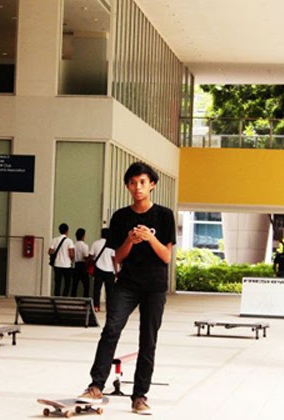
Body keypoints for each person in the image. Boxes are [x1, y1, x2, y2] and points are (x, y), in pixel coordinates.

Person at [77, 162, 175, 414]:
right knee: (111, 329)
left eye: (142, 182)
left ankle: (139, 396)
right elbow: (117, 258)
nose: (137, 187)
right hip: (128, 284)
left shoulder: (164, 215)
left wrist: (150, 237)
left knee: (148, 339)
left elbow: (166, 256)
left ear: (152, 185)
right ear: (128, 186)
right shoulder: (121, 217)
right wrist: (130, 241)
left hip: (155, 286)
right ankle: (95, 386)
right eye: (132, 183)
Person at [89, 228, 116, 312]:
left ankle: (96, 306)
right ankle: (109, 307)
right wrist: (116, 271)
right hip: (109, 270)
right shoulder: (112, 244)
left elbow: (91, 256)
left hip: (98, 269)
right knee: (110, 291)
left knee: (97, 289)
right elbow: (114, 259)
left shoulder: (95, 243)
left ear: (101, 234)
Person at [49, 223, 75, 296]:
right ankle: (64, 297)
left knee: (57, 283)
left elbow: (50, 251)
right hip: (67, 265)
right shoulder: (69, 241)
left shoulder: (55, 240)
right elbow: (71, 254)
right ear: (67, 231)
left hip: (57, 265)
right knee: (67, 283)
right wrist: (72, 260)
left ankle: (56, 298)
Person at [71, 228, 90, 298]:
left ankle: (73, 298)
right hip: (83, 265)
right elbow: (86, 256)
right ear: (83, 236)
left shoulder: (73, 245)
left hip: (75, 265)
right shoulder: (85, 246)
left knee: (74, 284)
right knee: (86, 284)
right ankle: (85, 298)